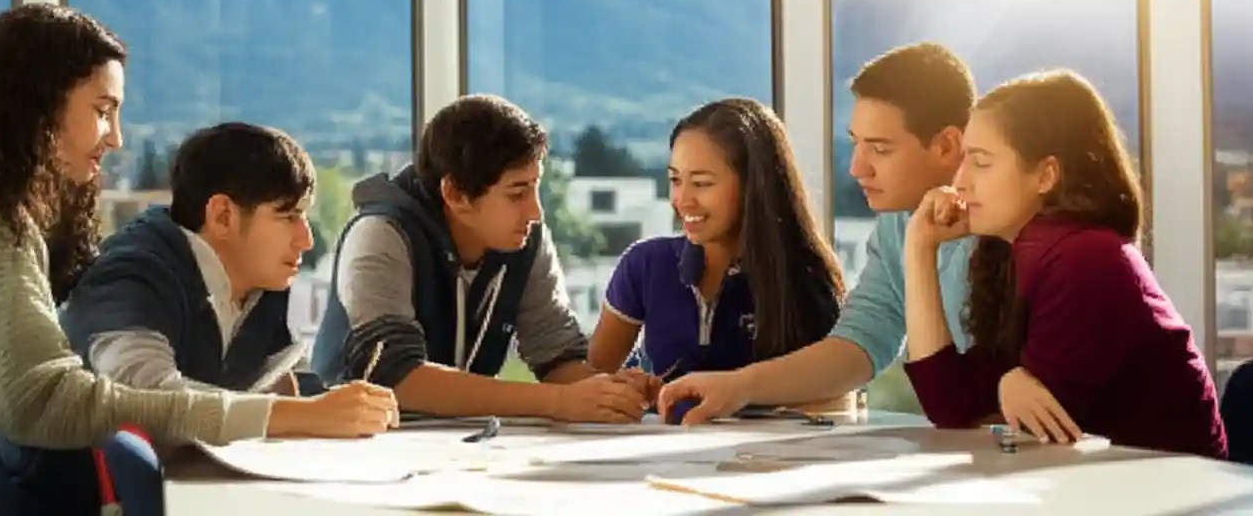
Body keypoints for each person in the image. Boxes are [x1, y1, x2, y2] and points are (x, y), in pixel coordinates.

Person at [0, 4, 397, 512]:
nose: (115, 137)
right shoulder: (0, 227)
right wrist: (285, 416)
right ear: (37, 105)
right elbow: (43, 401)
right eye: (101, 110)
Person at [900, 69, 1227, 459]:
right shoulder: (1019, 254)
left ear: (1046, 175)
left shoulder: (1088, 260)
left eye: (982, 162)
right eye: (964, 160)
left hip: (1177, 494)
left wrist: (1006, 388)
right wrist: (919, 248)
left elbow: (1037, 425)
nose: (961, 180)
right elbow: (950, 405)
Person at [657, 43, 976, 425]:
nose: (858, 168)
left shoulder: (1007, 225)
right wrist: (738, 387)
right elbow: (858, 345)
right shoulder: (899, 222)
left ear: (946, 145)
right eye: (856, 143)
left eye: (879, 149)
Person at [311, 94, 651, 422]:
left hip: (458, 443)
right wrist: (559, 402)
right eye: (517, 193)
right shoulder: (381, 234)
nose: (535, 212)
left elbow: (557, 355)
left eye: (536, 188)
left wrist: (610, 391)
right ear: (456, 194)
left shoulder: (524, 238)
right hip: (357, 445)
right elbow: (396, 376)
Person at [588, 98, 845, 419]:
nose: (682, 200)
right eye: (675, 180)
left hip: (763, 460)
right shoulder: (646, 264)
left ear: (755, 186)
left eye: (701, 183)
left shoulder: (805, 279)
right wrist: (627, 387)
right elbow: (591, 380)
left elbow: (837, 398)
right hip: (659, 457)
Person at [62, 122, 321, 396]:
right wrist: (288, 414)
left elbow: (297, 392)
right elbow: (147, 397)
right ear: (223, 216)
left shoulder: (261, 286)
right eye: (289, 216)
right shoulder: (130, 277)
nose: (306, 240)